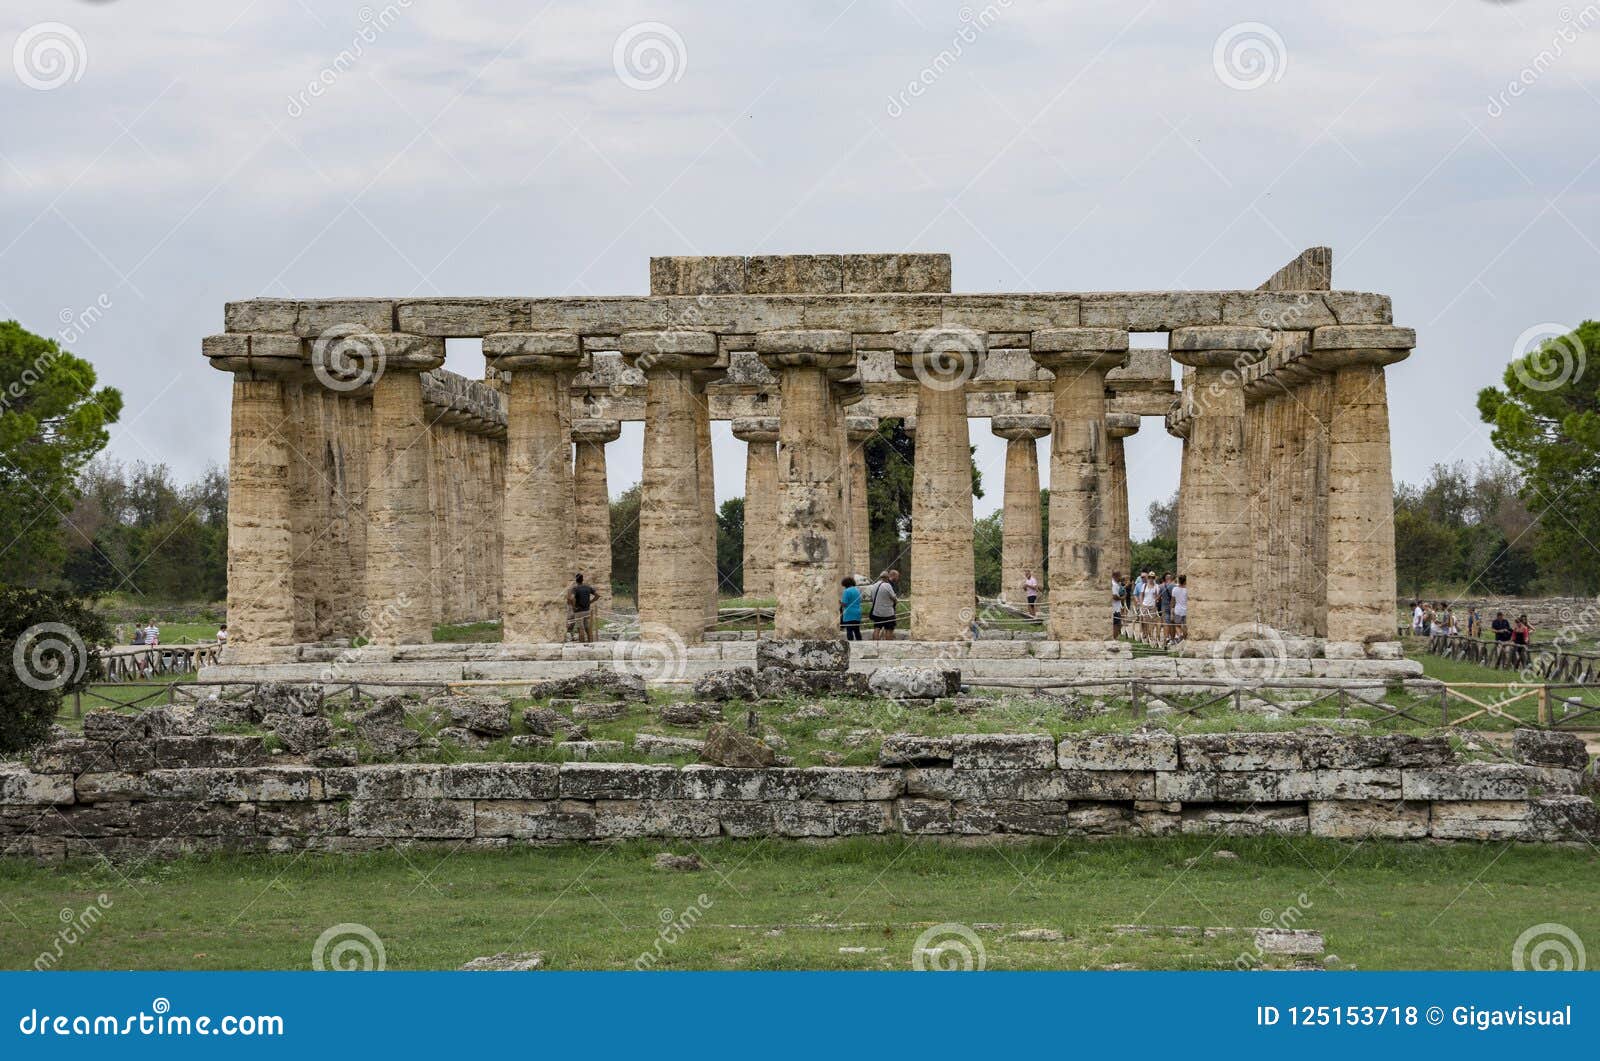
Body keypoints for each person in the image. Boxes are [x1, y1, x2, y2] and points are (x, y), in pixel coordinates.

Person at [566, 573, 599, 643]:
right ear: (582, 579)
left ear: (576, 580)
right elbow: (597, 595)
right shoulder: (588, 587)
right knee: (587, 626)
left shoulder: (575, 588)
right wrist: (590, 602)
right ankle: (590, 641)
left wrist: (574, 607)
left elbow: (572, 598)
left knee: (580, 628)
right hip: (587, 610)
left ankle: (582, 643)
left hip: (579, 611)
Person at [868, 570, 899, 640]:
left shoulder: (874, 585)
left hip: (876, 611)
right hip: (887, 612)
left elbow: (871, 598)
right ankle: (888, 645)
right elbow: (894, 597)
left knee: (877, 628)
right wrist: (895, 601)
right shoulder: (887, 585)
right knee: (889, 629)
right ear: (887, 578)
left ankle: (875, 644)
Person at [839, 576, 862, 641]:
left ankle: (851, 644)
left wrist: (840, 602)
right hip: (857, 613)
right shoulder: (857, 590)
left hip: (849, 614)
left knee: (849, 631)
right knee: (857, 631)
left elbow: (845, 604)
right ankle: (860, 644)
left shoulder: (846, 591)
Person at [1170, 575, 1188, 643]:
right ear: (1185, 581)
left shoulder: (1175, 589)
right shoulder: (1187, 590)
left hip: (1177, 610)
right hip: (1185, 610)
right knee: (1185, 626)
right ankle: (1185, 638)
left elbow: (1172, 601)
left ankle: (1180, 635)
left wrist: (1172, 610)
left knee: (1177, 625)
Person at [1111, 572, 1124, 639]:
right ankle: (1114, 639)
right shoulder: (1114, 584)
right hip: (1115, 609)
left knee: (1118, 624)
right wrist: (1122, 598)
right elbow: (1114, 596)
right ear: (1116, 576)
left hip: (1116, 608)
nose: (1120, 578)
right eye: (1120, 576)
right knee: (1116, 625)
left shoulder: (1115, 584)